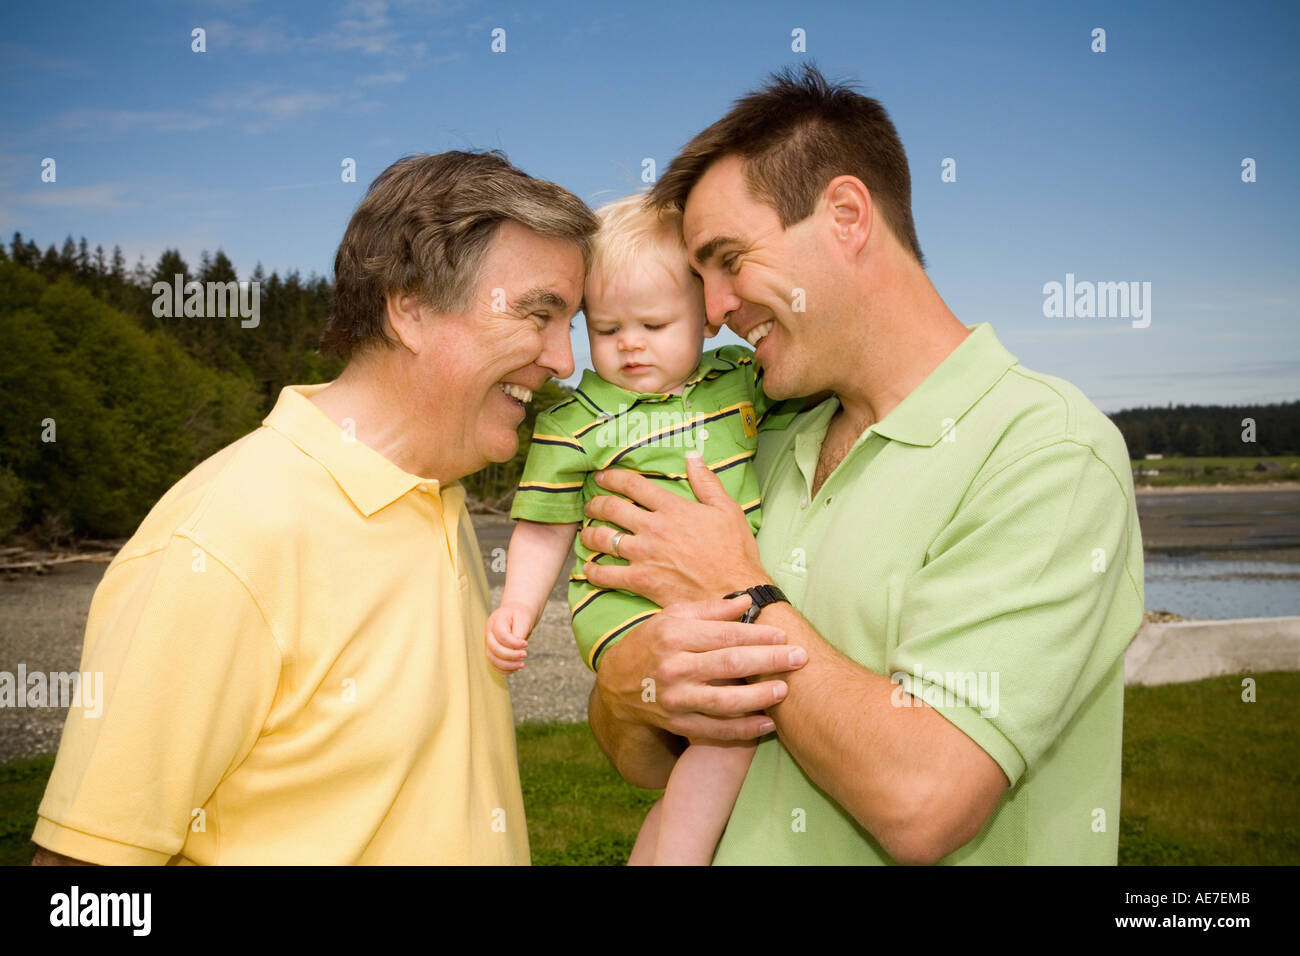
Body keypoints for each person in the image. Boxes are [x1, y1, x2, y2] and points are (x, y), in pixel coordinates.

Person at [581, 65, 1146, 865]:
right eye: (699, 280)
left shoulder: (1047, 451)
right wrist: (632, 683)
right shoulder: (757, 439)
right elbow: (639, 758)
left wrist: (738, 588)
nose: (712, 315)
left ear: (846, 214)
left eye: (730, 259)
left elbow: (924, 802)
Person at [31, 150, 597, 865]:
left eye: (571, 322)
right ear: (412, 308)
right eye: (538, 314)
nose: (565, 360)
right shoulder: (224, 538)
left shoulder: (439, 491)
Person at [486, 193, 806, 864]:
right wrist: (517, 606)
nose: (630, 345)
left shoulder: (737, 383)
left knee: (715, 751)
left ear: (706, 318)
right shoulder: (575, 420)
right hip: (627, 609)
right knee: (732, 734)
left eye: (655, 324)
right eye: (606, 329)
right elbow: (545, 526)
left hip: (711, 594)